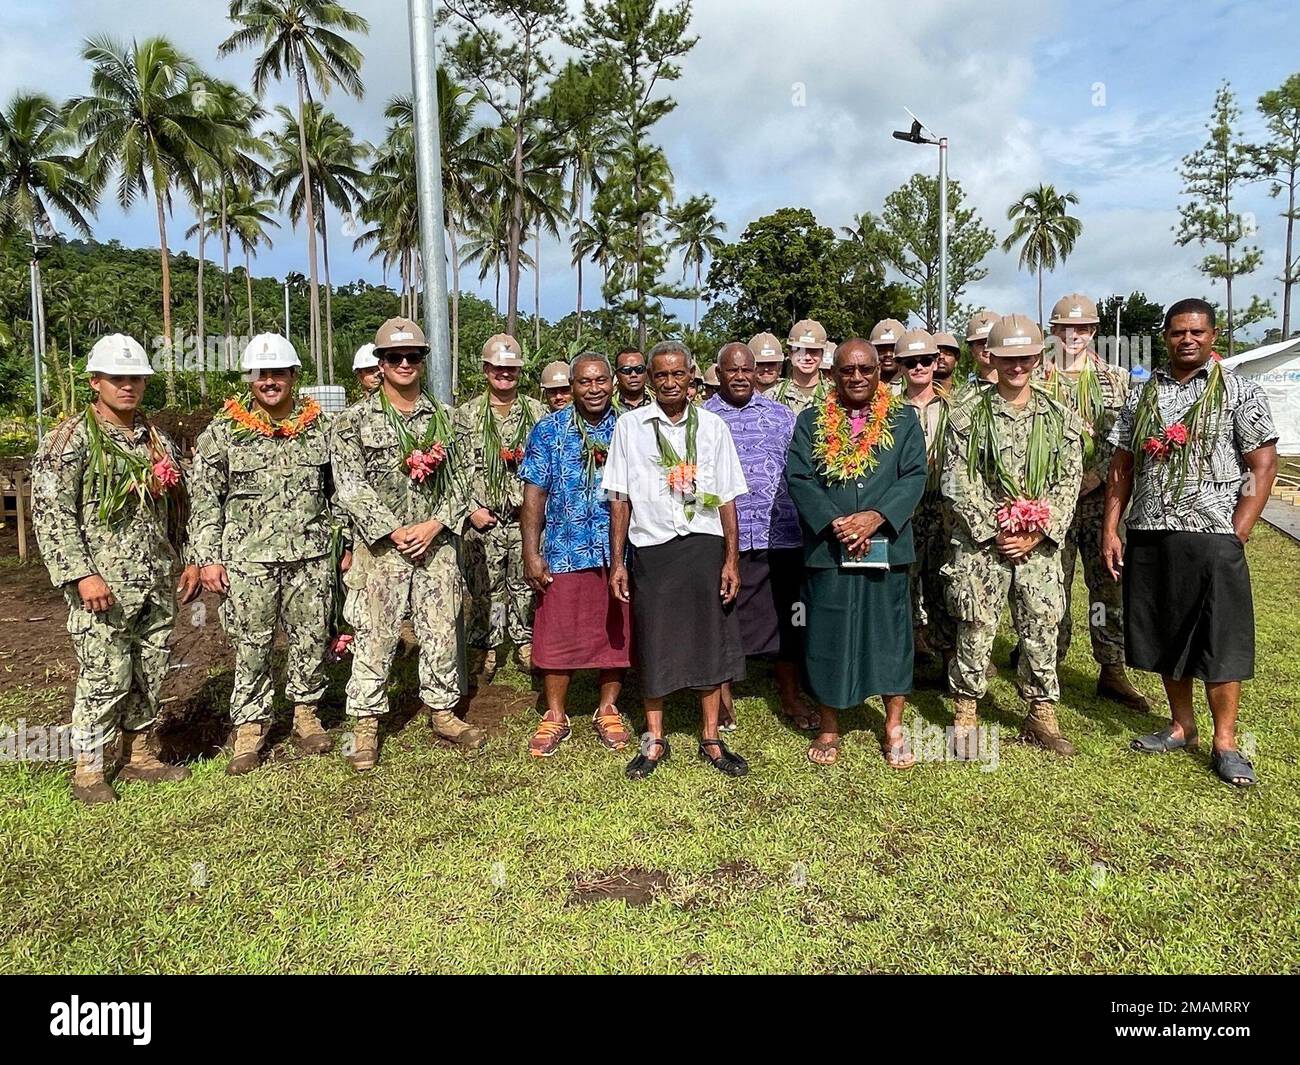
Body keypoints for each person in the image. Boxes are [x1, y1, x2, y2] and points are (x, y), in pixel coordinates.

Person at [1102, 298, 1278, 787]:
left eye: (1197, 332)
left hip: (1213, 534)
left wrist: (1239, 528)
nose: (1188, 340)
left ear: (1213, 336)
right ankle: (1182, 725)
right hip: (1151, 531)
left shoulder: (1240, 391)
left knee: (1219, 638)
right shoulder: (1142, 396)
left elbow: (1263, 464)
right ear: (1166, 336)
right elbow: (1122, 467)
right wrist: (1110, 529)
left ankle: (1226, 741)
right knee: (1165, 632)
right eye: (1178, 332)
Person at [32, 334, 200, 804]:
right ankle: (89, 768)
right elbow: (52, 513)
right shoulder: (70, 439)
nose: (128, 386)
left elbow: (177, 507)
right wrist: (81, 574)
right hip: (102, 583)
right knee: (105, 672)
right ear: (96, 382)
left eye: (135, 379)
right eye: (117, 378)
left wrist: (184, 559)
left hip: (154, 575)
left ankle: (140, 754)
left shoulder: (155, 438)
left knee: (150, 664)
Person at [332, 317, 480, 771]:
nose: (403, 364)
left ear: (422, 361)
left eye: (412, 356)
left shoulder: (447, 420)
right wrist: (393, 530)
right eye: (394, 357)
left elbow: (466, 478)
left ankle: (442, 711)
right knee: (374, 634)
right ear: (379, 363)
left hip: (435, 547)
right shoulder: (352, 422)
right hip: (381, 551)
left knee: (439, 629)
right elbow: (350, 485)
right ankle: (366, 725)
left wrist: (436, 524)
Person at [188, 333, 337, 774]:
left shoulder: (321, 429)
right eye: (260, 374)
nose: (269, 381)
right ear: (250, 379)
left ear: (293, 376)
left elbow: (340, 492)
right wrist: (208, 557)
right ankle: (250, 726)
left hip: (310, 555)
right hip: (247, 560)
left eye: (278, 373)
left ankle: (306, 715)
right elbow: (204, 500)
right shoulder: (224, 432)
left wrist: (340, 545)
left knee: (310, 639)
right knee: (251, 644)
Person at [602, 340, 750, 779]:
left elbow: (726, 498)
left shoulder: (712, 428)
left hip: (703, 546)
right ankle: (653, 739)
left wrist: (731, 559)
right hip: (652, 548)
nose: (670, 382)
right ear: (648, 378)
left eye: (678, 374)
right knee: (654, 642)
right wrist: (618, 561)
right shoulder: (629, 427)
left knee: (709, 639)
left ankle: (711, 738)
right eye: (660, 374)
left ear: (691, 378)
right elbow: (619, 498)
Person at [942, 315, 1084, 757]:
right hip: (983, 544)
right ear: (992, 357)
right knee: (976, 624)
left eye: (1024, 357)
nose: (1016, 366)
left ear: (1038, 359)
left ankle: (1041, 712)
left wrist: (1037, 531)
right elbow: (956, 479)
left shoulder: (1059, 417)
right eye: (1008, 358)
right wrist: (996, 527)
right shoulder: (968, 414)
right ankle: (965, 711)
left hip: (1038, 547)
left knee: (1042, 624)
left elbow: (1069, 480)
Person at [786, 339, 928, 767]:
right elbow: (799, 477)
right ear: (833, 375)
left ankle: (893, 726)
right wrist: (837, 524)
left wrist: (875, 517)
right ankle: (830, 726)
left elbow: (914, 474)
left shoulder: (903, 420)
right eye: (848, 370)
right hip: (829, 550)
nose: (858, 377)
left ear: (880, 372)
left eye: (866, 369)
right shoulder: (811, 421)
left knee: (890, 636)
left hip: (887, 547)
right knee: (828, 634)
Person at [519, 353, 632, 757]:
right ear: (571, 386)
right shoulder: (548, 430)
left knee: (615, 631)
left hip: (617, 551)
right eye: (585, 381)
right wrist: (531, 551)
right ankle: (555, 714)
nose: (595, 388)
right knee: (558, 632)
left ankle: (608, 707)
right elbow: (534, 493)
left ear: (613, 383)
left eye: (601, 380)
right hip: (565, 547)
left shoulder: (629, 428)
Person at [1038, 293, 1148, 710]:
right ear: (1054, 331)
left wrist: (1097, 476)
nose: (1074, 335)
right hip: (1052, 501)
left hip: (1101, 502)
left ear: (1094, 331)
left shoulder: (1116, 379)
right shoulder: (1038, 376)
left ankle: (1111, 668)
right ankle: (1051, 665)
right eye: (1066, 328)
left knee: (1105, 588)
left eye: (1082, 328)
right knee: (1053, 589)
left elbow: (1125, 440)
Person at [704, 343, 813, 732]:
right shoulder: (701, 419)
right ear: (718, 373)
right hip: (724, 538)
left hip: (779, 535)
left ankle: (789, 693)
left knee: (789, 617)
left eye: (746, 370)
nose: (739, 376)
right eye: (731, 370)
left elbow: (802, 472)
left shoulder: (783, 416)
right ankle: (723, 694)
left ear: (757, 372)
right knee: (723, 616)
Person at [454, 334, 547, 677]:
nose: (504, 374)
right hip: (484, 518)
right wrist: (470, 510)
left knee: (524, 584)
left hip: (524, 518)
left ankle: (524, 641)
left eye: (511, 369)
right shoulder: (465, 416)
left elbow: (546, 466)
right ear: (485, 369)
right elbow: (454, 471)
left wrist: (536, 512)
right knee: (485, 586)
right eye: (497, 368)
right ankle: (488, 645)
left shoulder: (537, 413)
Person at [897, 328, 953, 664]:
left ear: (936, 363)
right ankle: (904, 654)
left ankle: (949, 654)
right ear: (901, 367)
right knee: (903, 581)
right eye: (910, 362)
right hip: (905, 507)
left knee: (943, 582)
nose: (919, 367)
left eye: (925, 360)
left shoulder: (953, 409)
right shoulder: (888, 410)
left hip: (942, 504)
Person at [772, 319, 829, 415]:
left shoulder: (835, 395)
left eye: (813, 351)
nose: (807, 357)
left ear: (822, 354)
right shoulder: (773, 396)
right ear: (790, 353)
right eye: (800, 350)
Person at [966, 309, 999, 388]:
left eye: (992, 341)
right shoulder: (964, 396)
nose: (986, 347)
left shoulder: (1027, 385)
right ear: (971, 349)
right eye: (981, 343)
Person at [869, 319, 907, 387]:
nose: (888, 354)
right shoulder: (865, 384)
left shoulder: (914, 384)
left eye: (893, 349)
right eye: (881, 349)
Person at [612, 347, 650, 412]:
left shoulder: (659, 402)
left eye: (639, 369)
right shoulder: (606, 405)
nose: (633, 375)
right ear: (617, 374)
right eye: (626, 370)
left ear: (646, 372)